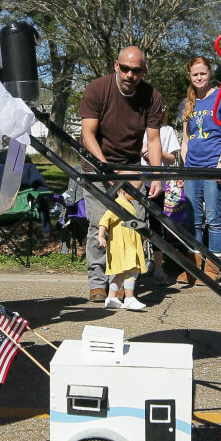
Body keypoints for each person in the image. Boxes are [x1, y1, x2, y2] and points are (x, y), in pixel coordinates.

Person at [77, 46, 166, 304]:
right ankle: (98, 284)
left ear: (143, 72)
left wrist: (156, 176)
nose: (129, 75)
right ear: (116, 65)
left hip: (130, 166)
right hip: (96, 165)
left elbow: (154, 139)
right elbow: (88, 135)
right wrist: (105, 170)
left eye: (135, 71)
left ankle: (126, 284)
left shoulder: (152, 97)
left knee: (132, 225)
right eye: (125, 68)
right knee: (99, 224)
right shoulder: (97, 90)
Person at [177, 55, 221, 282]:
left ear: (210, 73)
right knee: (193, 218)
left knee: (213, 216)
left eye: (203, 73)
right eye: (195, 74)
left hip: (213, 165)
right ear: (190, 77)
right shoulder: (186, 104)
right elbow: (185, 139)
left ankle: (214, 264)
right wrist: (183, 167)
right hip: (192, 167)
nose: (199, 77)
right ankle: (194, 263)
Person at [96, 193, 148, 310]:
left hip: (126, 244)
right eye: (134, 189)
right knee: (132, 271)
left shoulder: (128, 204)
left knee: (121, 274)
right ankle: (129, 298)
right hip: (124, 245)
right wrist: (101, 236)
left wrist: (143, 232)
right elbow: (105, 219)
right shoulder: (119, 204)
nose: (137, 192)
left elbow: (131, 223)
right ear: (124, 190)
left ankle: (111, 298)